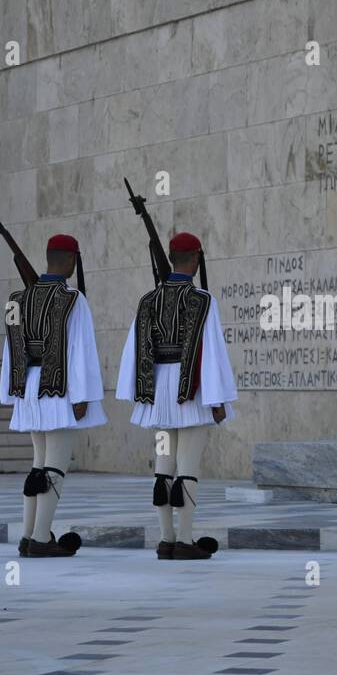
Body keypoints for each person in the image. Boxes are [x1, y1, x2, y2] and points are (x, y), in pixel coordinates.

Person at [116, 231, 236, 560]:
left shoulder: (148, 300)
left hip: (158, 392)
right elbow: (211, 351)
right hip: (191, 390)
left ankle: (165, 539)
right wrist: (218, 398)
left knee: (163, 465)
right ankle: (185, 540)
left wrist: (139, 392)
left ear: (171, 259)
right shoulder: (202, 300)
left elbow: (135, 349)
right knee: (188, 467)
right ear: (196, 259)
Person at [0, 234, 105, 557]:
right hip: (60, 390)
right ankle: (42, 538)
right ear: (72, 260)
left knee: (38, 465)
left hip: (29, 390)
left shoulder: (16, 299)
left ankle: (28, 535)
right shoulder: (73, 299)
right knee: (55, 467)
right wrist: (83, 395)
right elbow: (81, 349)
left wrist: (12, 393)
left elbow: (11, 351)